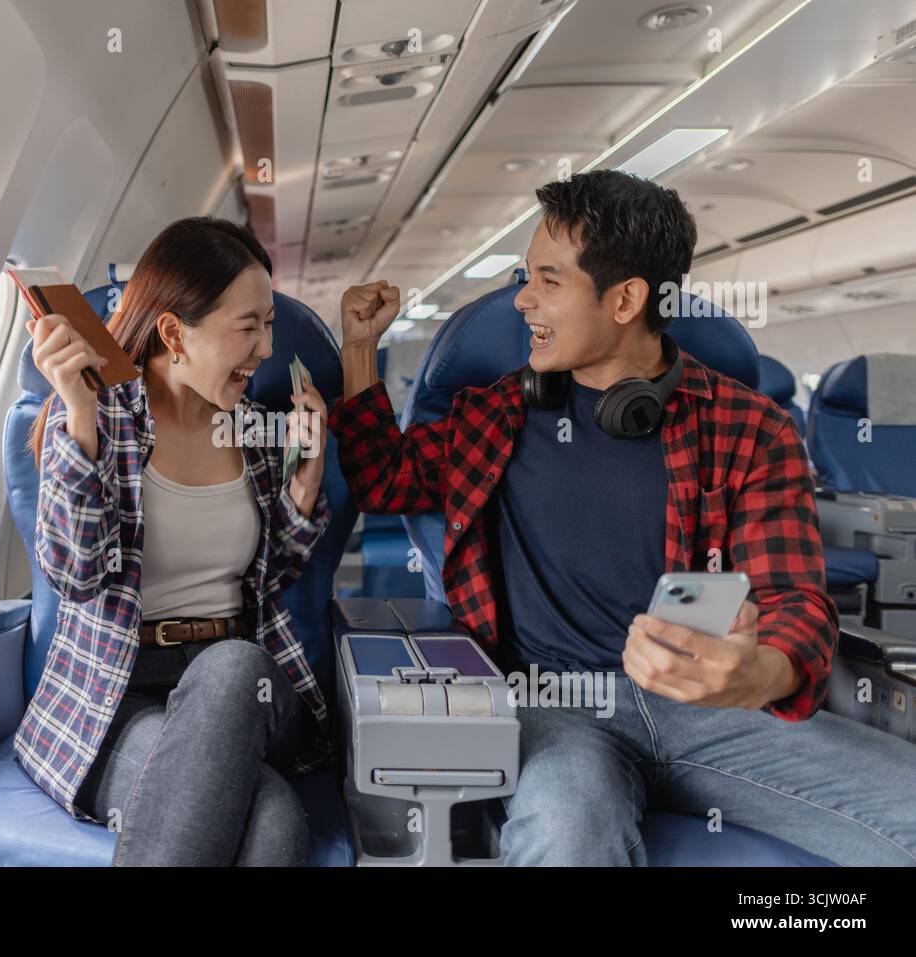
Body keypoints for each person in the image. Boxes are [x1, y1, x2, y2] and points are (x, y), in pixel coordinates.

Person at [327, 170, 916, 865]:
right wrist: (360, 349)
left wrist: (761, 671)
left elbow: (793, 596)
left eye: (548, 280)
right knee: (567, 828)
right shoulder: (491, 415)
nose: (521, 300)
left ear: (627, 299)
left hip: (712, 709)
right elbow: (382, 476)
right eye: (525, 276)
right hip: (550, 703)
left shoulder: (750, 427)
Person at [12, 217, 332, 865]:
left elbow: (276, 576)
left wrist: (305, 480)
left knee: (233, 665)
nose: (267, 348)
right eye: (249, 326)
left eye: (270, 324)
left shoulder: (257, 432)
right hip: (117, 692)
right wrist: (78, 416)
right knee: (271, 824)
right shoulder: (102, 420)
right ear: (173, 333)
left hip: (247, 689)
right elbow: (75, 575)